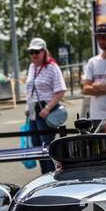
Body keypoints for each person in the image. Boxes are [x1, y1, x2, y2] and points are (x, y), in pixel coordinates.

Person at [24, 36, 67, 174]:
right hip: (33, 112)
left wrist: (48, 108)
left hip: (46, 110)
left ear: (44, 52)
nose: (34, 55)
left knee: (47, 148)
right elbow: (30, 89)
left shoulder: (52, 67)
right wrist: (28, 107)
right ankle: (45, 175)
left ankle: (52, 176)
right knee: (37, 148)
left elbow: (61, 90)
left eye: (37, 52)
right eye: (31, 52)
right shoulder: (32, 67)